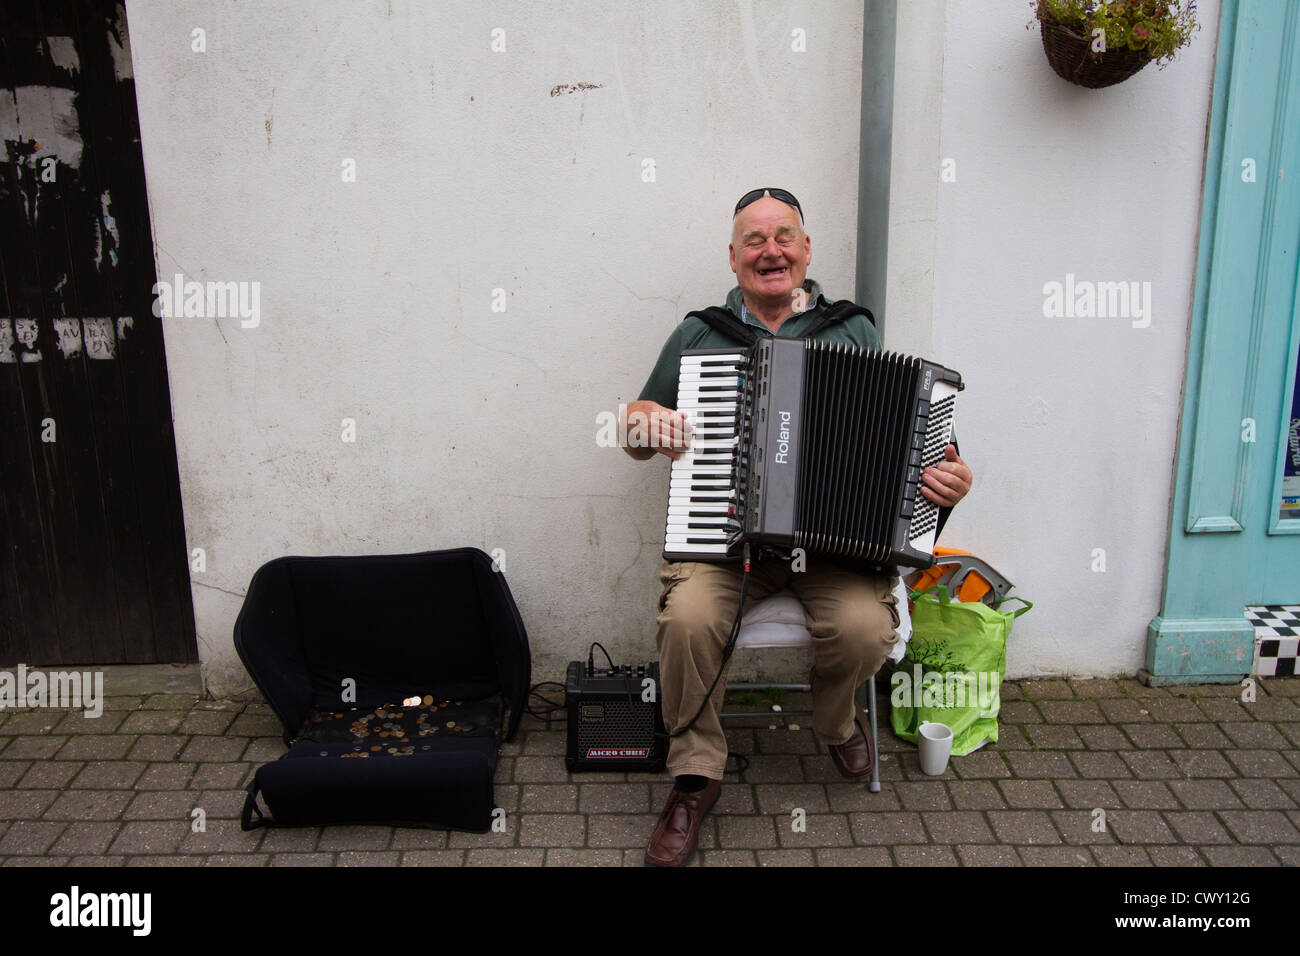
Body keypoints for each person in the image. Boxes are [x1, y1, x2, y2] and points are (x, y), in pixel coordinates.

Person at [620, 188, 973, 867]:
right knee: (688, 618)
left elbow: (905, 441)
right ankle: (696, 778)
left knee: (868, 630)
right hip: (727, 544)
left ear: (806, 251)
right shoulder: (700, 333)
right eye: (754, 241)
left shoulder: (852, 331)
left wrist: (951, 479)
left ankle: (836, 719)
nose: (770, 251)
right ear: (734, 258)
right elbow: (636, 424)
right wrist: (643, 422)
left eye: (784, 236)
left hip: (832, 550)